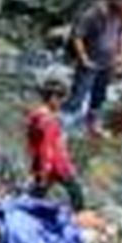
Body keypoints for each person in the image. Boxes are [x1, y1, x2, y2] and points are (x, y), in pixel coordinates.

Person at [64, 0, 122, 135]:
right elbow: (77, 36)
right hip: (91, 61)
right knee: (79, 94)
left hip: (108, 62)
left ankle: (92, 125)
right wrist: (84, 58)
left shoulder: (121, 13)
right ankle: (63, 127)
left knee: (99, 96)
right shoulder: (93, 13)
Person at [27, 78, 86, 210]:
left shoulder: (37, 116)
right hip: (56, 165)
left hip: (45, 163)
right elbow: (46, 147)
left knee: (37, 193)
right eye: (60, 99)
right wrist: (45, 169)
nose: (61, 103)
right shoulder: (48, 121)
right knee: (76, 192)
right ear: (53, 98)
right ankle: (80, 216)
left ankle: (28, 210)